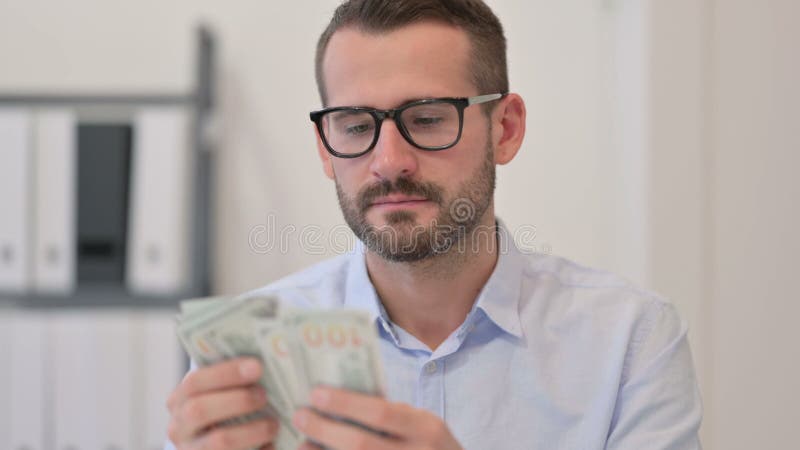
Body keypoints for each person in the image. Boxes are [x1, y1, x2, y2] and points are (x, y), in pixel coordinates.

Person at [165, 1, 703, 449]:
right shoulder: (246, 358)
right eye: (355, 126)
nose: (389, 161)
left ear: (506, 129)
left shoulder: (629, 344)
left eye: (426, 118)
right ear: (325, 149)